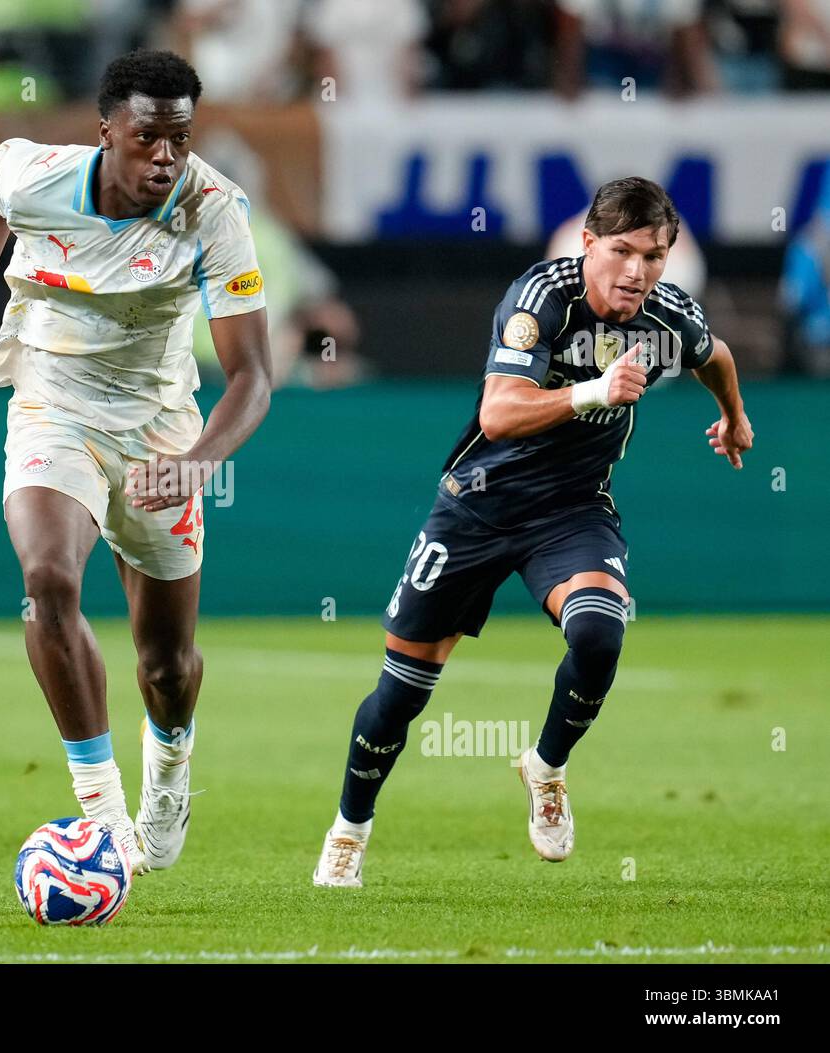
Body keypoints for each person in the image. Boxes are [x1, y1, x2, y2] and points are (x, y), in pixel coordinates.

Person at [313, 177, 754, 887]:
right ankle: (349, 828)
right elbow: (498, 413)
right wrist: (594, 391)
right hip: (476, 508)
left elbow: (716, 354)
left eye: (655, 255)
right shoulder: (540, 298)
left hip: (572, 511)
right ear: (587, 244)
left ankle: (546, 766)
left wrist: (733, 417)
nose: (638, 271)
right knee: (401, 692)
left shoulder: (664, 311)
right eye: (622, 251)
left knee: (600, 632)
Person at [0, 49, 271, 875]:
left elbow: (253, 377)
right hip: (51, 402)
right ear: (107, 133)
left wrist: (199, 460)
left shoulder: (213, 210)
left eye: (180, 138)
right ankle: (105, 816)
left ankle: (170, 768)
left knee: (166, 666)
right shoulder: (38, 174)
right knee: (49, 580)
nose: (167, 158)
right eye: (148, 138)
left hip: (159, 433)